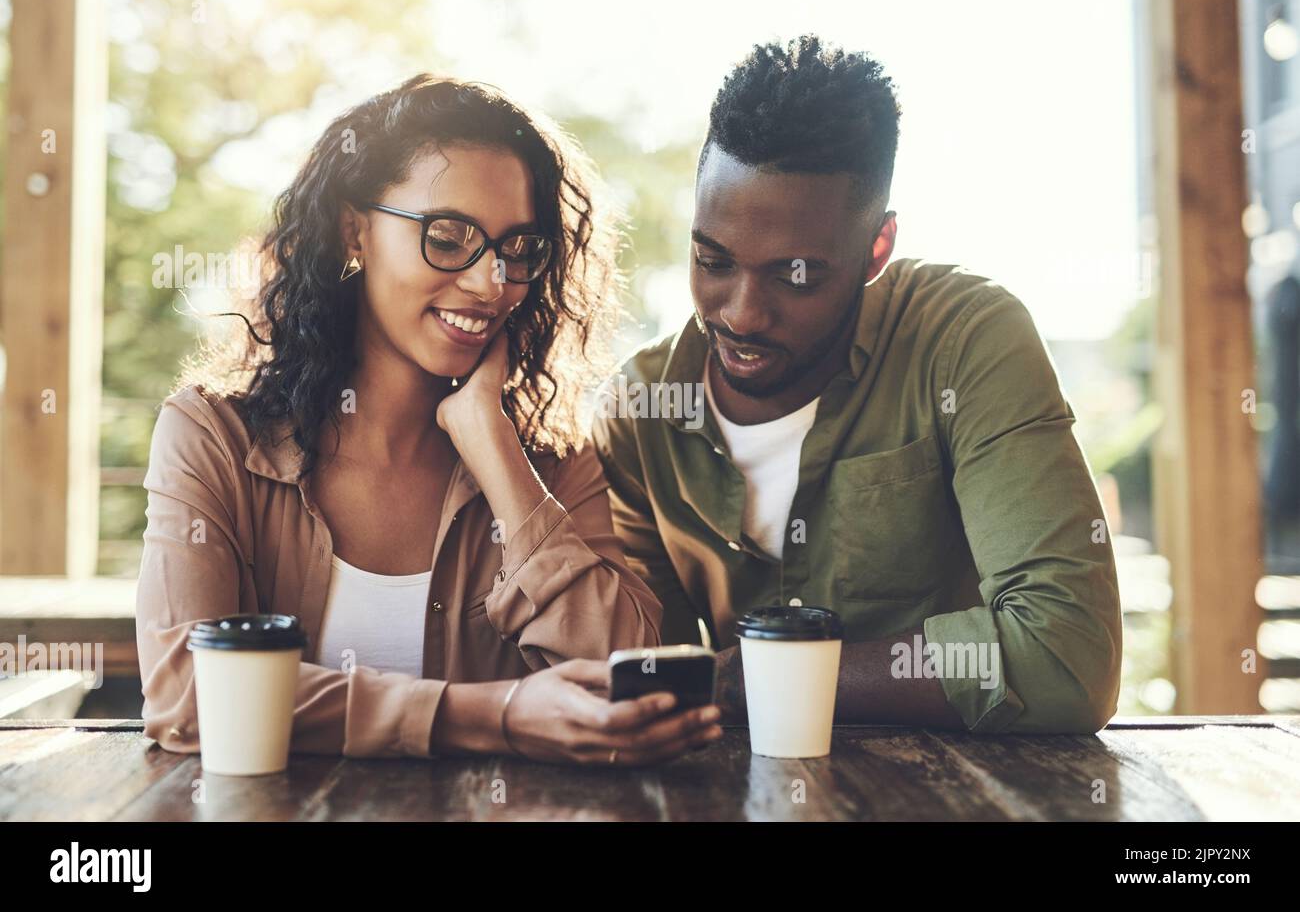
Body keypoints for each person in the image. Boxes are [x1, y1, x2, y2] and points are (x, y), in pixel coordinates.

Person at [136, 75, 722, 765]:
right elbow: (189, 696)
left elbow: (636, 684)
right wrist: (494, 714)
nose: (490, 282)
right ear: (355, 228)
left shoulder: (551, 462)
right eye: (448, 236)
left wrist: (496, 451)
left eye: (519, 249)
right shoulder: (212, 438)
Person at [592, 37, 1123, 734]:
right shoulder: (641, 413)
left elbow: (1066, 658)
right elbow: (652, 683)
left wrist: (757, 678)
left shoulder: (963, 341)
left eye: (797, 274)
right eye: (713, 260)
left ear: (877, 248)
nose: (742, 313)